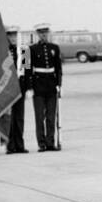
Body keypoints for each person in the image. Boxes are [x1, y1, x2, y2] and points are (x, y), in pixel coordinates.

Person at [29, 23, 62, 151]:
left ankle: (50, 142)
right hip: (38, 86)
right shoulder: (29, 49)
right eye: (41, 32)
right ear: (37, 34)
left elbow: (58, 68)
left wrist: (59, 84)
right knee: (39, 117)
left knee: (51, 117)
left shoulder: (55, 48)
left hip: (51, 85)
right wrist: (29, 87)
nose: (43, 34)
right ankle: (41, 143)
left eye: (45, 32)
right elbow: (26, 69)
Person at [6, 34, 29, 153]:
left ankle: (20, 145)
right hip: (8, 88)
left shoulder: (24, 50)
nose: (13, 38)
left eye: (15, 36)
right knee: (10, 118)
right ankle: (10, 146)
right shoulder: (4, 51)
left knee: (19, 117)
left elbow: (27, 70)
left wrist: (28, 88)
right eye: (10, 36)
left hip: (20, 87)